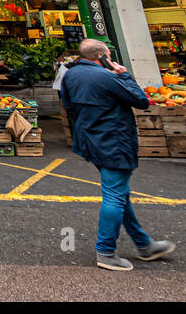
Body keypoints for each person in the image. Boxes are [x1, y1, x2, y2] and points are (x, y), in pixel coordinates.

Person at [59, 38, 175, 271]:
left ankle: (144, 245)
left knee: (119, 194)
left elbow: (68, 106)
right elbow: (141, 101)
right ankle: (106, 251)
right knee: (114, 195)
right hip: (113, 141)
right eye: (108, 56)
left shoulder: (70, 76)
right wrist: (124, 74)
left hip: (90, 140)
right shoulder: (109, 77)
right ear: (102, 56)